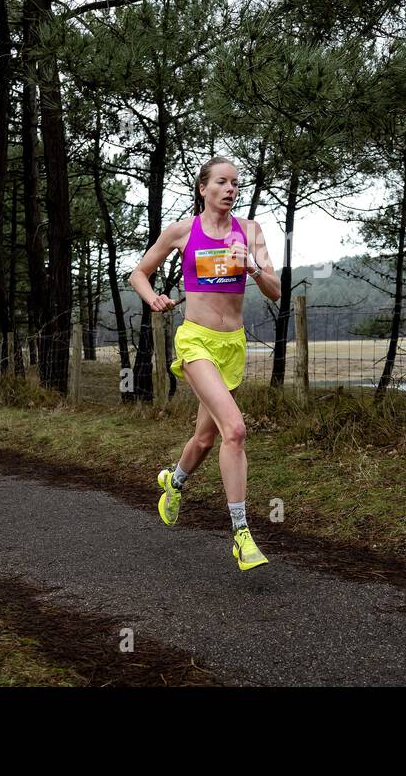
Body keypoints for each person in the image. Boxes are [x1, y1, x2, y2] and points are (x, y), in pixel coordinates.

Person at [128, 156, 281, 571]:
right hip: (195, 342)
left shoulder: (250, 231)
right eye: (221, 182)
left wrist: (250, 264)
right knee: (236, 429)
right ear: (203, 188)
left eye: (235, 183)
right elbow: (138, 273)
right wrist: (153, 297)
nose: (230, 189)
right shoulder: (181, 232)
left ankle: (173, 482)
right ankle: (242, 535)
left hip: (232, 345)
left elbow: (275, 290)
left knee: (206, 439)